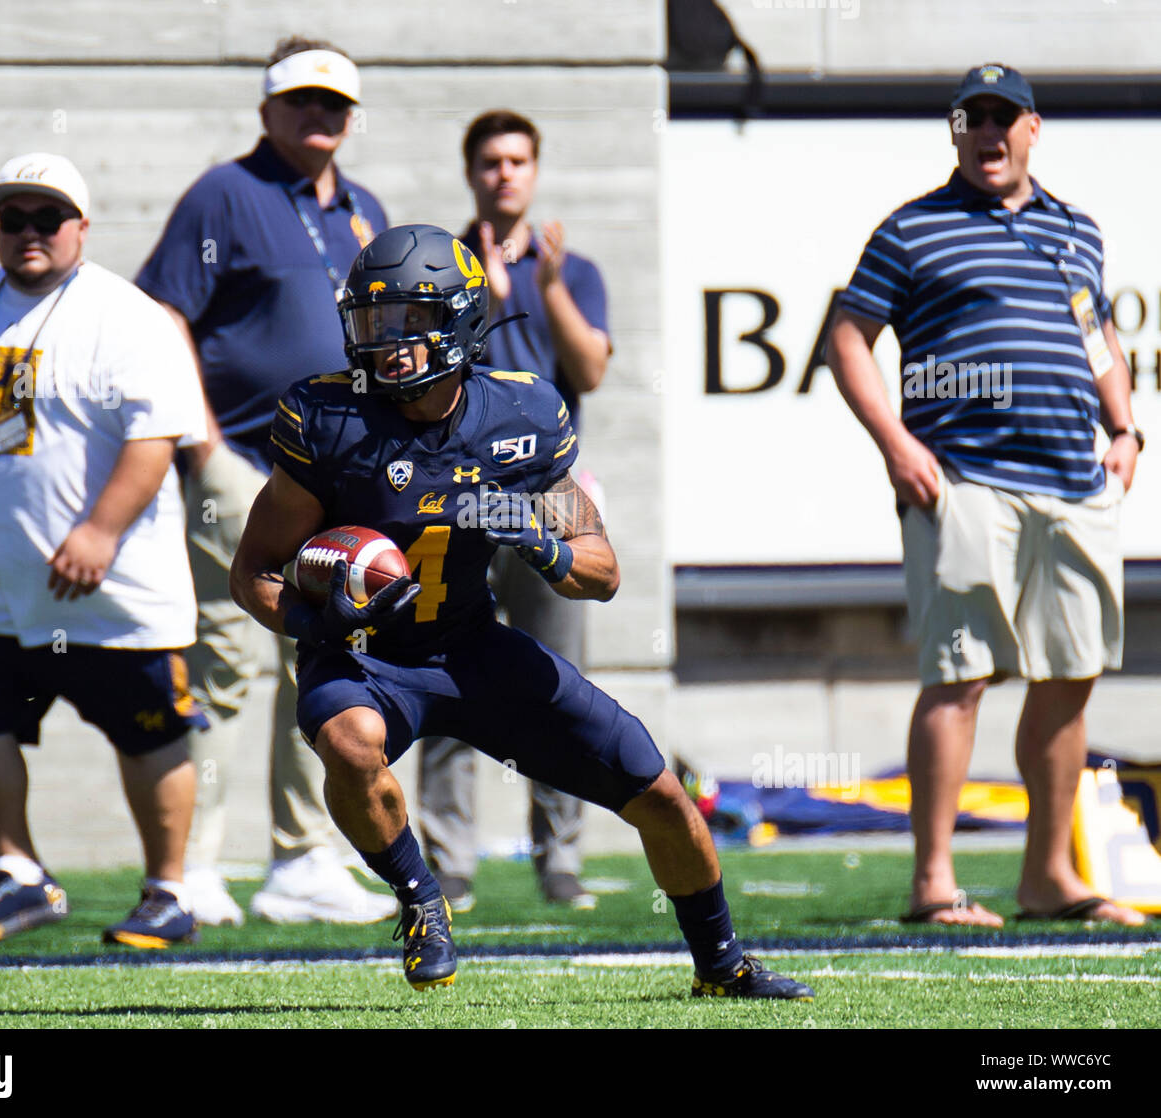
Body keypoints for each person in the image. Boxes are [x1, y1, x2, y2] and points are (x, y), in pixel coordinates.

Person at [230, 223, 815, 999]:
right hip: (366, 655)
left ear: (460, 322)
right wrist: (317, 623)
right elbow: (253, 574)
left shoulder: (521, 415)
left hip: (473, 649)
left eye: (409, 321)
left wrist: (547, 549)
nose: (387, 344)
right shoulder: (328, 419)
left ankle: (721, 962)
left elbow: (602, 572)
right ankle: (420, 899)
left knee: (661, 795)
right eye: (373, 323)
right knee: (348, 740)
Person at [0, 153, 210, 947]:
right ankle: (20, 874)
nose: (28, 233)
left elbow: (157, 438)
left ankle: (168, 891)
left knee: (150, 731)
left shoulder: (129, 316)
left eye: (46, 218)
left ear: (81, 228)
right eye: (12, 218)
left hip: (112, 590)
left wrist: (101, 530)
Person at [826, 64, 1146, 927]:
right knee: (959, 676)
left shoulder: (1077, 231)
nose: (990, 132)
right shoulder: (912, 230)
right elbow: (847, 338)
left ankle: (1047, 877)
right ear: (956, 132)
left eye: (1006, 117)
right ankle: (934, 884)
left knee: (1071, 675)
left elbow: (1097, 334)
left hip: (1076, 487)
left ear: (1034, 129)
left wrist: (1127, 433)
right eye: (974, 118)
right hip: (965, 482)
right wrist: (894, 441)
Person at [135, 35, 395, 926]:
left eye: (333, 103)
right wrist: (202, 445)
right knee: (230, 657)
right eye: (301, 100)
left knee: (318, 656)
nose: (317, 114)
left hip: (336, 472)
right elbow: (164, 311)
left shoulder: (361, 209)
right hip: (241, 462)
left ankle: (302, 859)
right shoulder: (224, 194)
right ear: (267, 111)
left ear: (351, 118)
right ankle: (195, 866)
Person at [418, 110, 611, 911]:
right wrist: (484, 302)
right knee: (439, 665)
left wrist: (549, 289)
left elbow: (590, 370)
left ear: (534, 172)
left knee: (558, 677)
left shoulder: (573, 267)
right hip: (450, 491)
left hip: (547, 488)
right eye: (491, 162)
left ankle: (559, 857)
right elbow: (427, 382)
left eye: (518, 161)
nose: (505, 175)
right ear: (471, 173)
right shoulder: (434, 266)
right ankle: (448, 860)